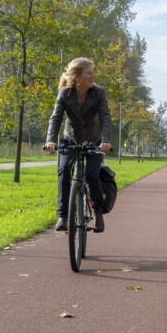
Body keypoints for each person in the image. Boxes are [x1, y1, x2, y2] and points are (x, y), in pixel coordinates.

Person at [44, 57, 113, 233]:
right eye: (89, 73)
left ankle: (98, 211)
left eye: (92, 72)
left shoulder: (98, 92)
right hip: (71, 139)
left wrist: (105, 141)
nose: (93, 76)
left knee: (91, 174)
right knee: (64, 170)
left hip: (94, 141)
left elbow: (105, 118)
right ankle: (63, 216)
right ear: (77, 77)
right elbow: (56, 118)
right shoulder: (65, 94)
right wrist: (50, 140)